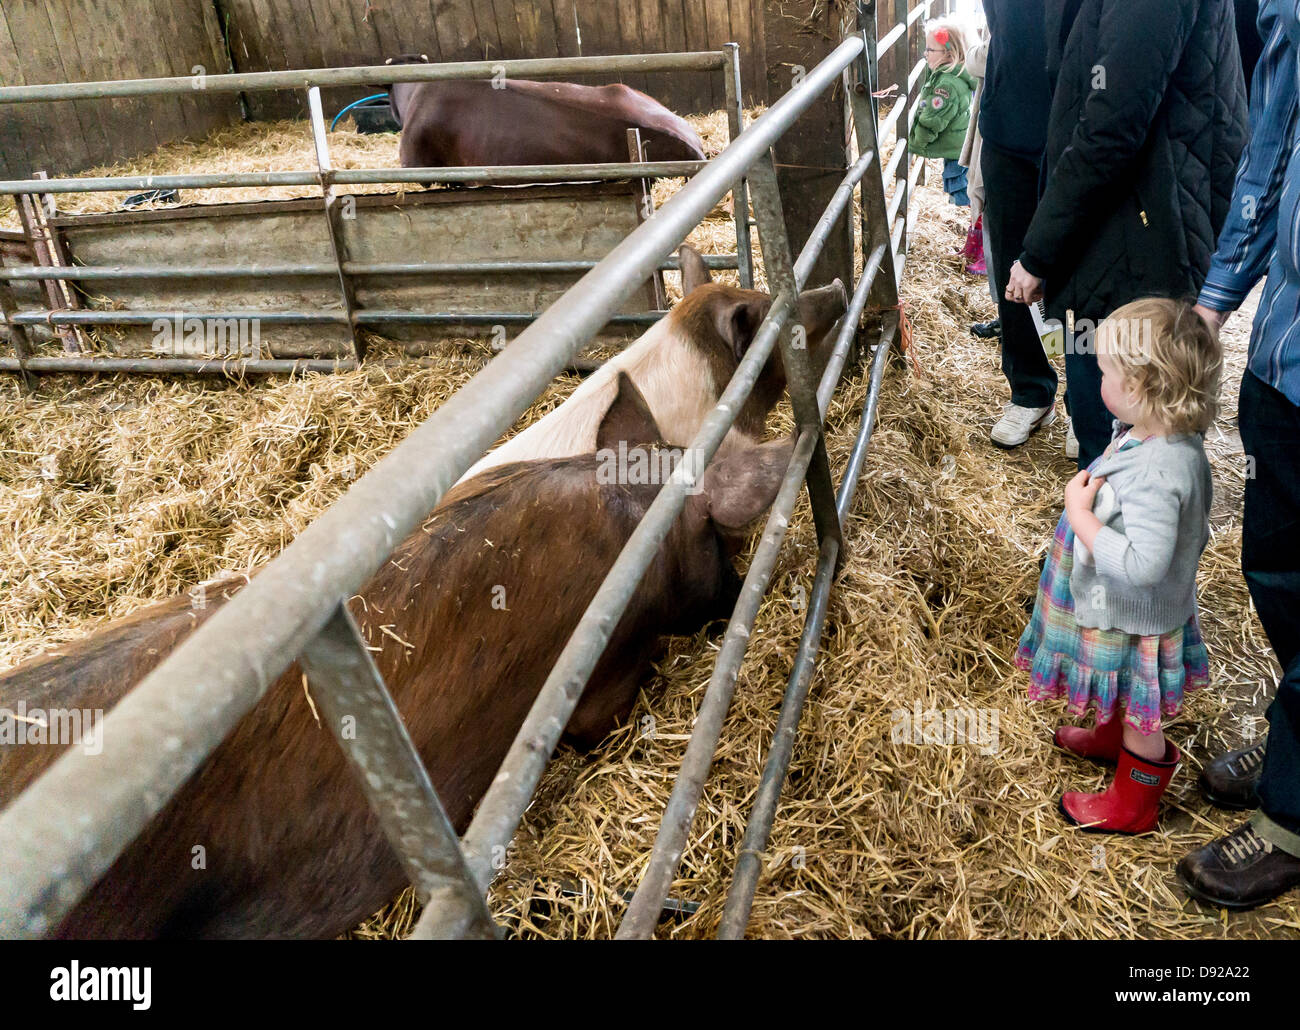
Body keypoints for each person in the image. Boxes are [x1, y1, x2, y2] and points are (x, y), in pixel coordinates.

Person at [1003, 0, 1249, 469]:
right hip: (1125, 226)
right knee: (1113, 427)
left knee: (1130, 446)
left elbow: (1112, 123)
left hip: (1144, 236)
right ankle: (1093, 534)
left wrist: (1039, 254)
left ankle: (1111, 538)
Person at [1179, 0, 1300, 909]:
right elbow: (1272, 150)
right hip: (1286, 355)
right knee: (1274, 566)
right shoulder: (1284, 13)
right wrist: (1219, 295)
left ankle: (1295, 812)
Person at [1017, 299, 1219, 834]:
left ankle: (1133, 805)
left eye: (1106, 370)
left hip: (1131, 613)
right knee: (1124, 687)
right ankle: (1111, 736)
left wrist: (1080, 516)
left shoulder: (1159, 466)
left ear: (1142, 386)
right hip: (1122, 609)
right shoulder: (1157, 433)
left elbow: (1144, 565)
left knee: (1142, 712)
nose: (1097, 377)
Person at [977, 0, 1058, 448]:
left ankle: (1097, 400)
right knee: (1013, 262)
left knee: (1085, 263)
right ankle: (1030, 389)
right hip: (1009, 126)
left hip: (1080, 123)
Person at [907, 18, 975, 209]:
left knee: (961, 193)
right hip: (957, 147)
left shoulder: (947, 85)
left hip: (957, 152)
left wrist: (915, 143)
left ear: (948, 53)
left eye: (930, 49)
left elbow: (933, 120)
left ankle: (974, 229)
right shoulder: (951, 77)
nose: (925, 53)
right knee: (961, 189)